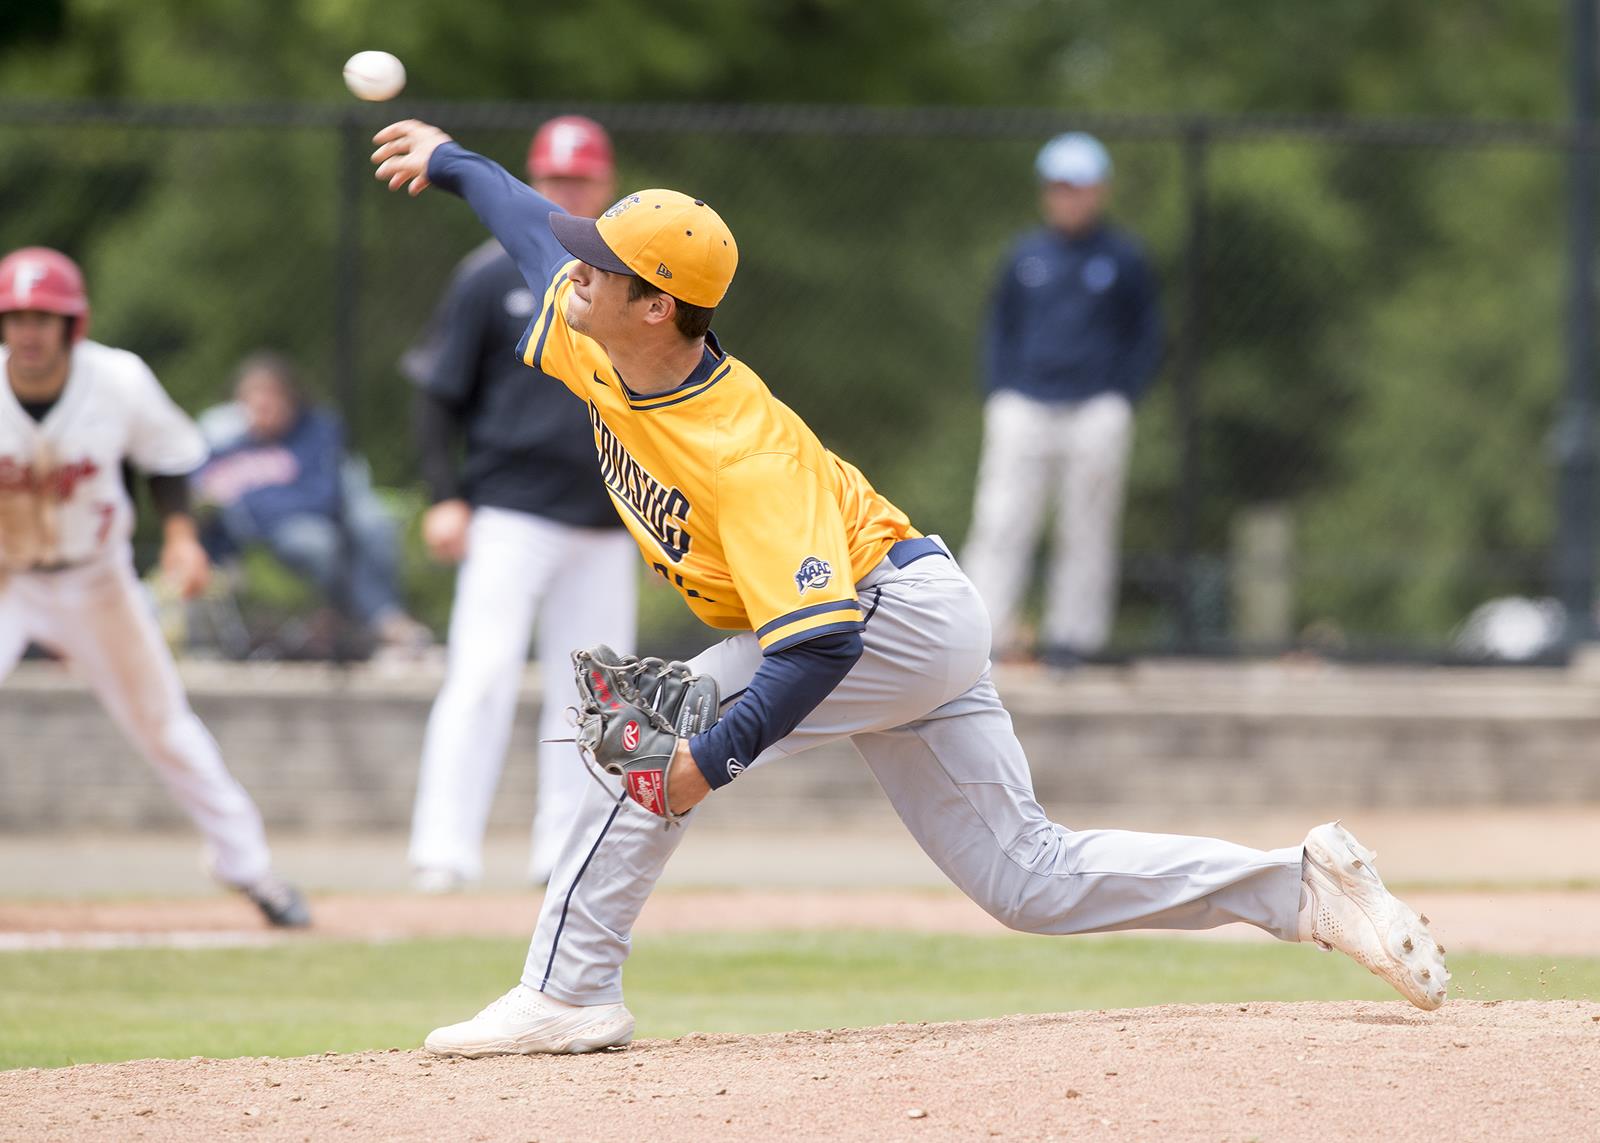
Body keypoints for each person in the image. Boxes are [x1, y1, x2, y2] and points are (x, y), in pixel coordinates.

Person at [369, 120, 1448, 1057]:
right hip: (913, 608)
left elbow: (820, 646)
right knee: (1030, 882)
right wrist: (451, 159)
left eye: (600, 264)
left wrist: (710, 758)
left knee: (655, 738)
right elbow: (521, 222)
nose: (573, 268)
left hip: (887, 617)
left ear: (658, 307)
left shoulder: (744, 453)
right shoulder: (592, 325)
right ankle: (1300, 885)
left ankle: (567, 993)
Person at [0, 247, 309, 927]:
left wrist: (180, 535)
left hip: (96, 578)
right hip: (7, 579)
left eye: (41, 317)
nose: (27, 330)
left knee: (165, 724)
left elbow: (170, 458)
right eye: (15, 315)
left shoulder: (117, 380)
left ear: (70, 324)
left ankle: (249, 868)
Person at [405, 117, 638, 893]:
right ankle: (444, 850)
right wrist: (445, 495)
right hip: (511, 511)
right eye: (555, 180)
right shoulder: (490, 272)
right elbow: (440, 392)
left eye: (581, 180)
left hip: (608, 519)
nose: (568, 192)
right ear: (536, 184)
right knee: (481, 674)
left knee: (596, 693)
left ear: (604, 185)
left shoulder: (635, 280)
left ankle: (564, 854)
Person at [961, 132, 1164, 667]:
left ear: (1099, 190)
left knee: (1087, 526)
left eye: (1079, 186)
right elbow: (999, 327)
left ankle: (1074, 640)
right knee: (1002, 521)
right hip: (1024, 404)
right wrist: (1001, 391)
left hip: (1095, 406)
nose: (1069, 197)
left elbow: (1145, 333)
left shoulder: (1124, 259)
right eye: (1059, 186)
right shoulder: (1024, 256)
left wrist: (1122, 393)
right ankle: (982, 640)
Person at [194, 352, 431, 655]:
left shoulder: (317, 431)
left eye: (271, 398)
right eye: (253, 400)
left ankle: (371, 623)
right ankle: (386, 624)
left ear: (290, 399)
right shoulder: (229, 445)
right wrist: (280, 499)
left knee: (374, 526)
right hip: (281, 529)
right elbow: (217, 496)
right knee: (318, 543)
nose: (263, 408)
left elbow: (326, 490)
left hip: (328, 511)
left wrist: (276, 497)